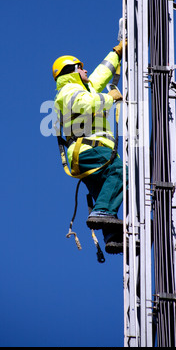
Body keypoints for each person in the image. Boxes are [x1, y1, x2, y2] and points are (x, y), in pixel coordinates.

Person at [52, 40, 125, 254]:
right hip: (89, 150)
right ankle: (102, 213)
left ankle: (112, 236)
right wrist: (109, 98)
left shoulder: (83, 87)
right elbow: (85, 103)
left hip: (86, 155)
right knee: (119, 173)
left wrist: (116, 53)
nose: (85, 70)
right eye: (81, 67)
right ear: (71, 71)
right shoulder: (68, 90)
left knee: (107, 190)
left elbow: (102, 73)